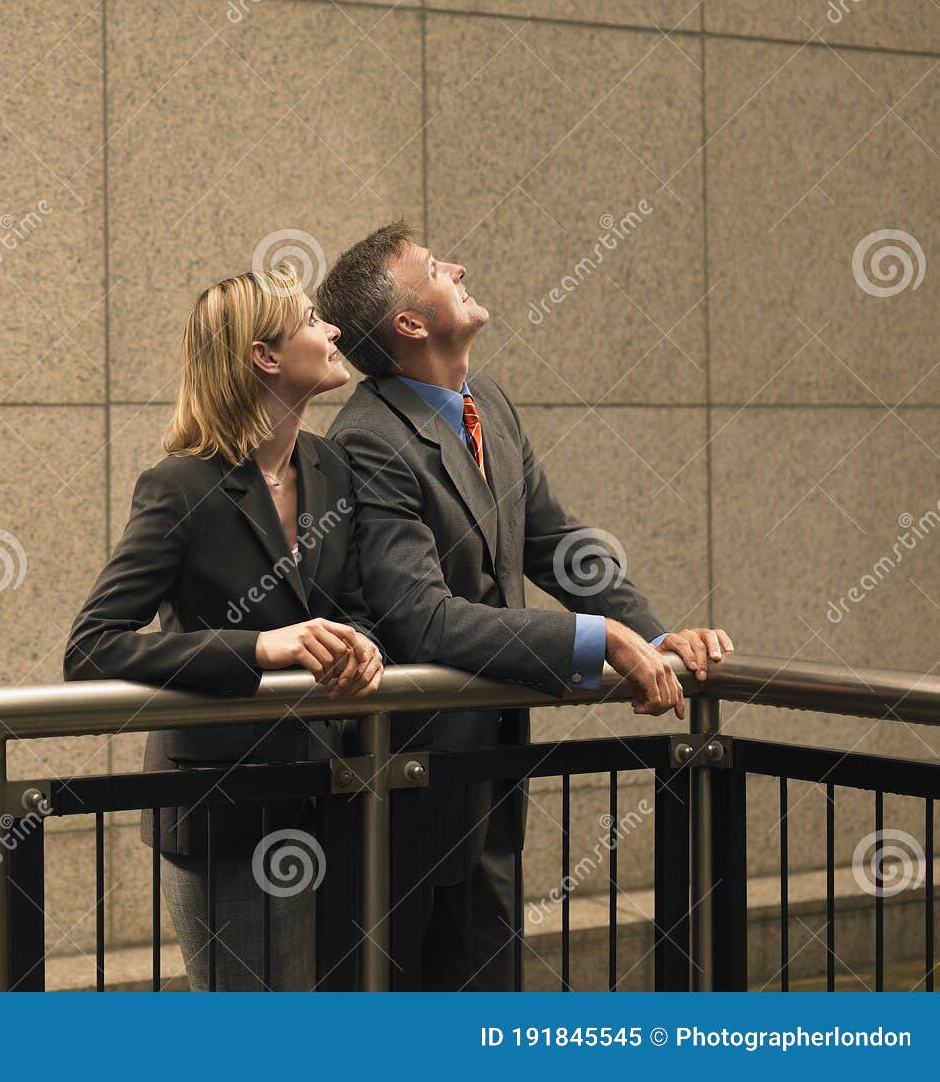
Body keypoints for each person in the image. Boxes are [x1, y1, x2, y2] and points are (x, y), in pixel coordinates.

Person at [314, 223, 733, 991]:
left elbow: (558, 543)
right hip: (404, 779)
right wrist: (593, 638)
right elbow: (425, 619)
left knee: (487, 989)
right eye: (438, 268)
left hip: (490, 768)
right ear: (410, 324)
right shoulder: (369, 438)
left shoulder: (491, 404)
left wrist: (656, 633)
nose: (460, 266)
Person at [64, 263, 384, 990]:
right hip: (219, 811)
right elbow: (91, 647)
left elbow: (358, 607)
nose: (332, 330)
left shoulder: (332, 467)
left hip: (325, 792)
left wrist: (365, 644)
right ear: (264, 355)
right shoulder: (179, 485)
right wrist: (257, 647)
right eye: (310, 319)